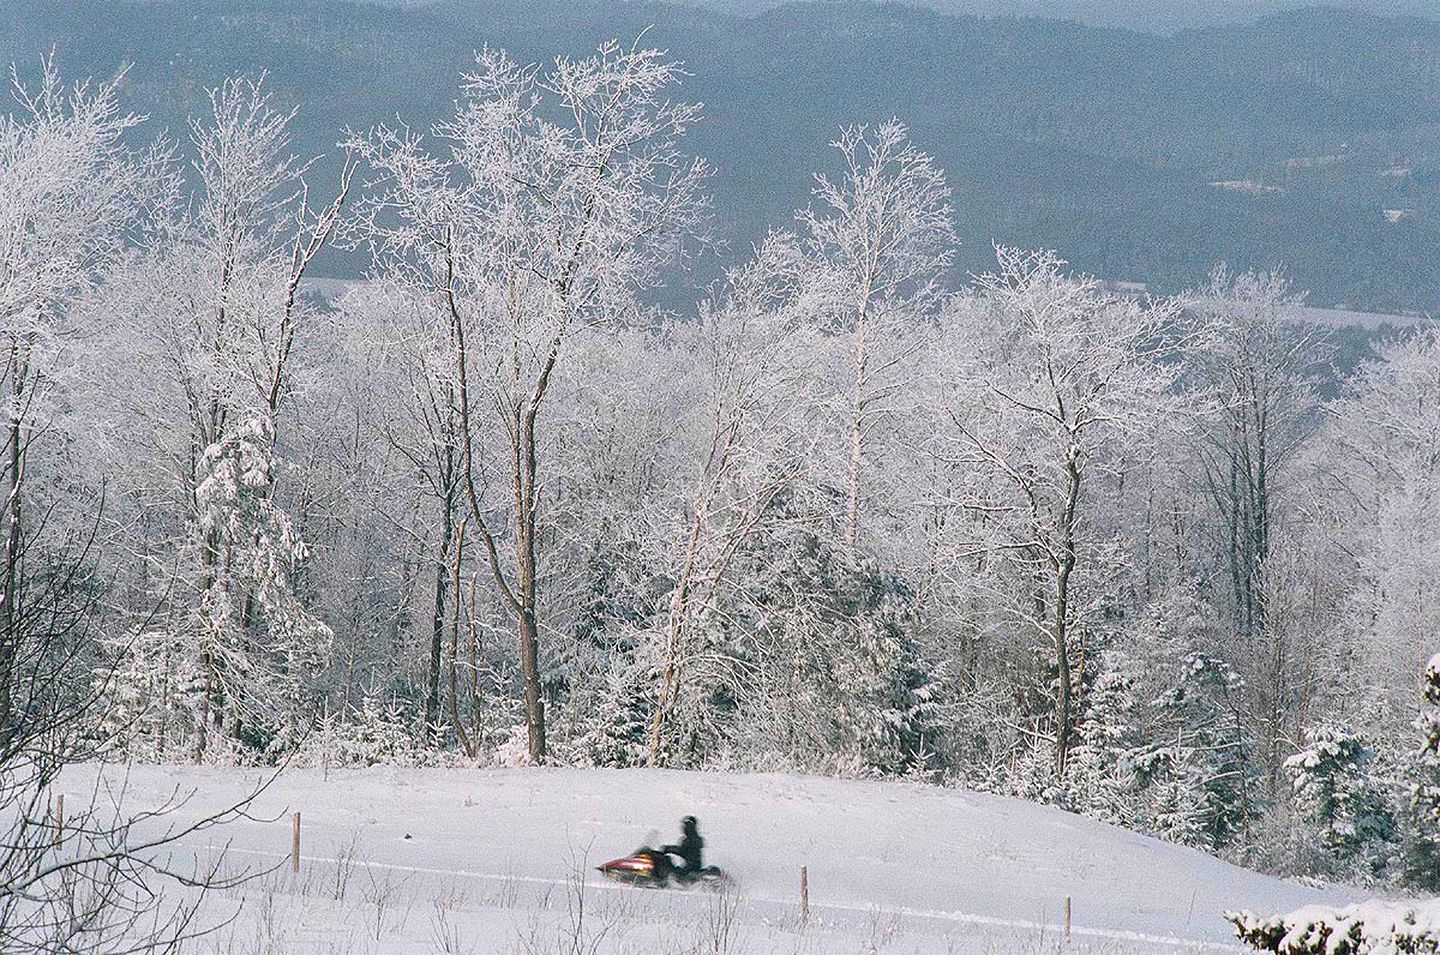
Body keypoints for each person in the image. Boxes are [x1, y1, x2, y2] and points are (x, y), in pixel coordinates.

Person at [660, 815, 704, 879]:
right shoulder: (690, 838)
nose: (683, 828)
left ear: (689, 826)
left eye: (685, 826)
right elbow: (683, 851)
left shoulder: (692, 839)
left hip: (691, 868)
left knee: (672, 875)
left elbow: (683, 851)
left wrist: (668, 849)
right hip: (690, 867)